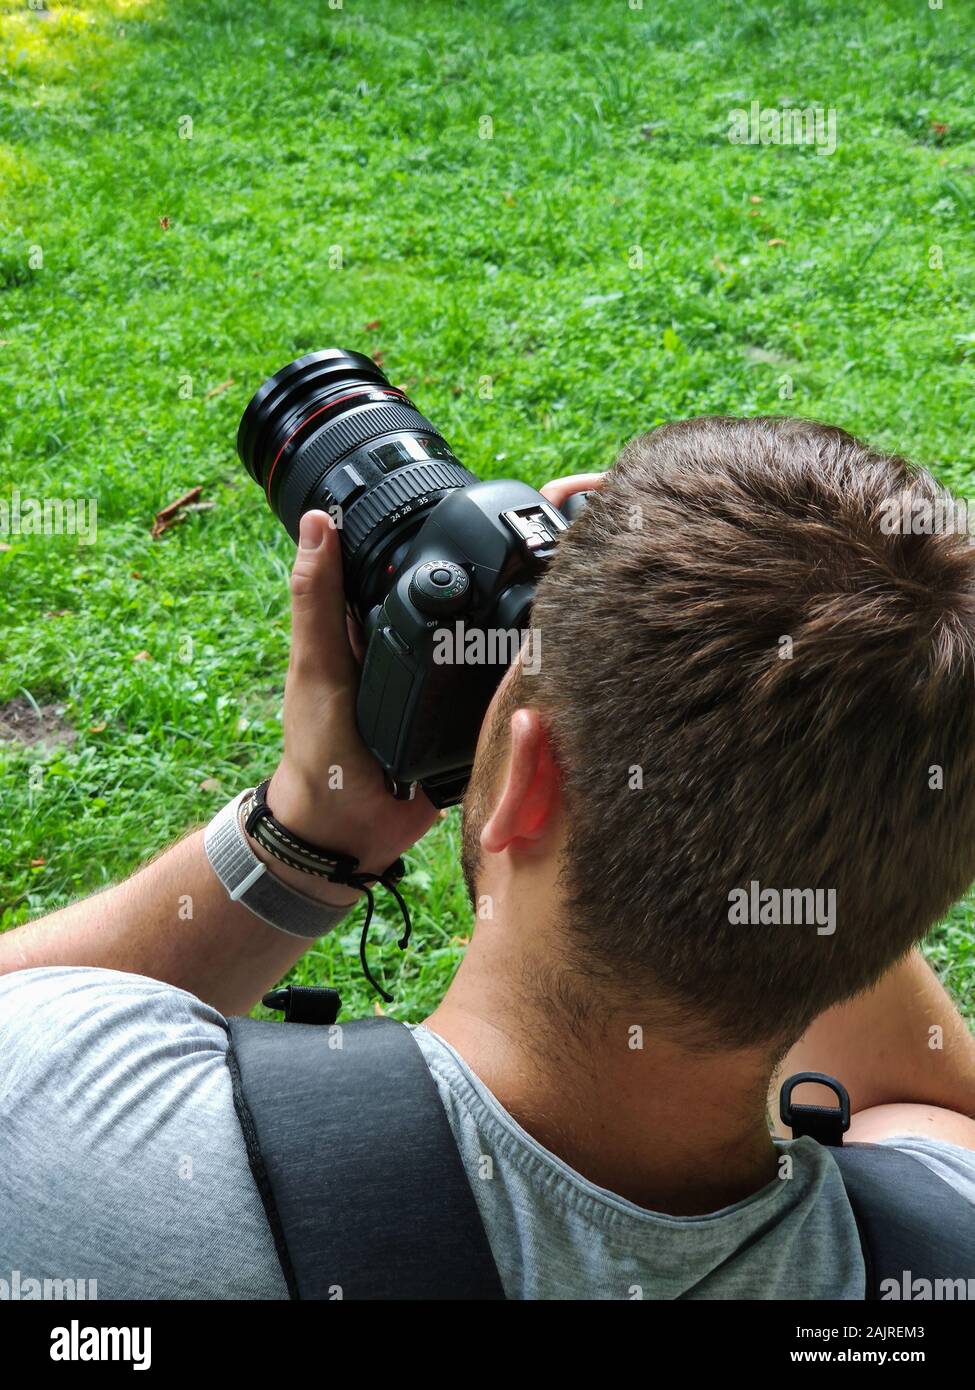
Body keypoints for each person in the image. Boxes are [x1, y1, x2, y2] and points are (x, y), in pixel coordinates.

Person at [2, 415, 974, 1300]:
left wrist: (302, 836)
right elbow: (924, 1099)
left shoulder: (76, 1119)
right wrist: (833, 795)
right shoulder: (935, 1250)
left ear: (525, 779)